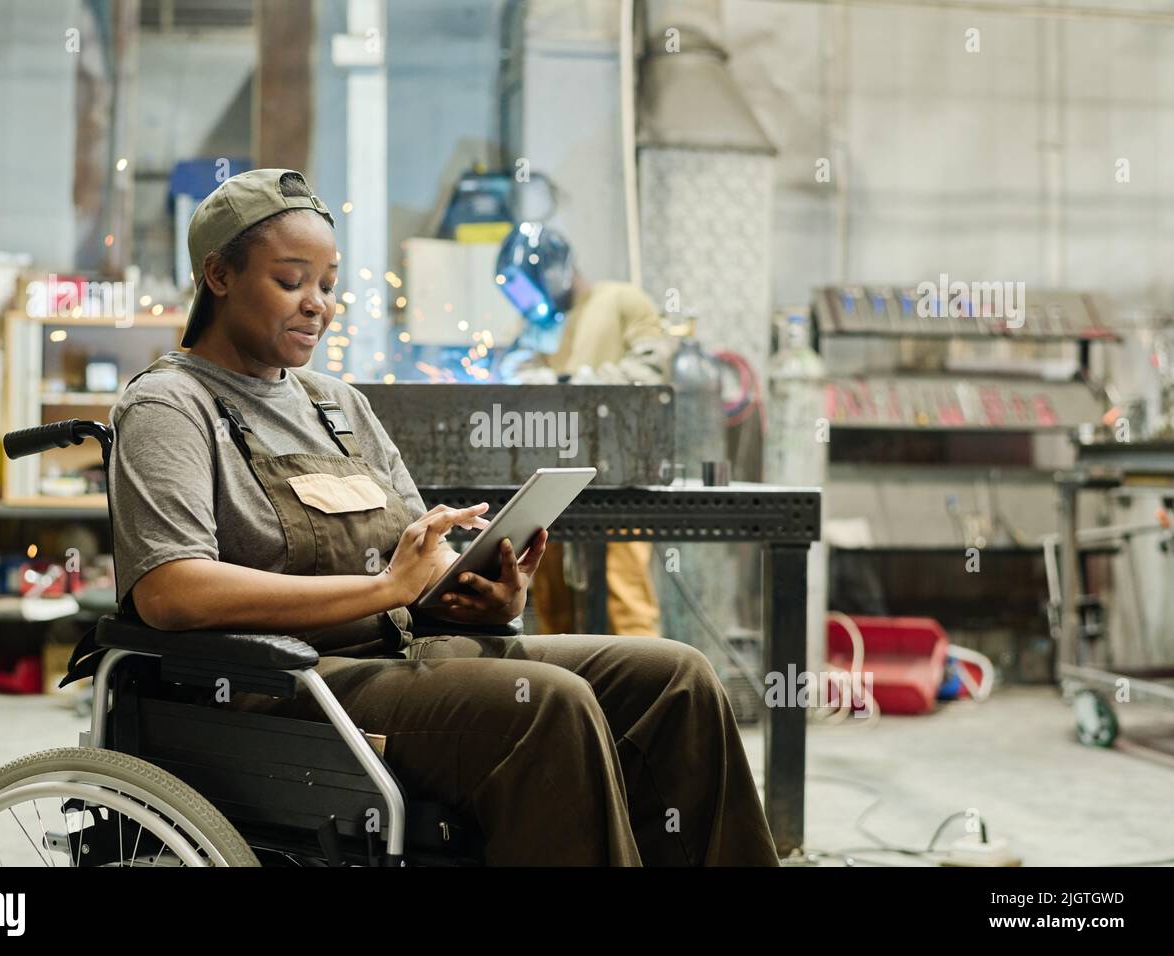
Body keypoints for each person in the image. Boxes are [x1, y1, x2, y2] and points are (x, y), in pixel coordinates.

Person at [108, 168, 778, 866]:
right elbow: (171, 591)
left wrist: (478, 599)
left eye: (328, 285)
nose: (318, 306)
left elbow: (413, 567)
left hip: (398, 658)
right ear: (218, 275)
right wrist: (381, 591)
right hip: (277, 691)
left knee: (677, 680)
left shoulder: (335, 406)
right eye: (290, 281)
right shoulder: (169, 407)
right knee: (547, 704)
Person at [495, 223, 674, 637]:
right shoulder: (538, 323)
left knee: (625, 603)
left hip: (619, 483)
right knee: (556, 614)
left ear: (558, 271)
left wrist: (571, 383)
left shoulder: (621, 300)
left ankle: (642, 696)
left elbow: (650, 370)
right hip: (551, 484)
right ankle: (570, 700)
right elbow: (511, 371)